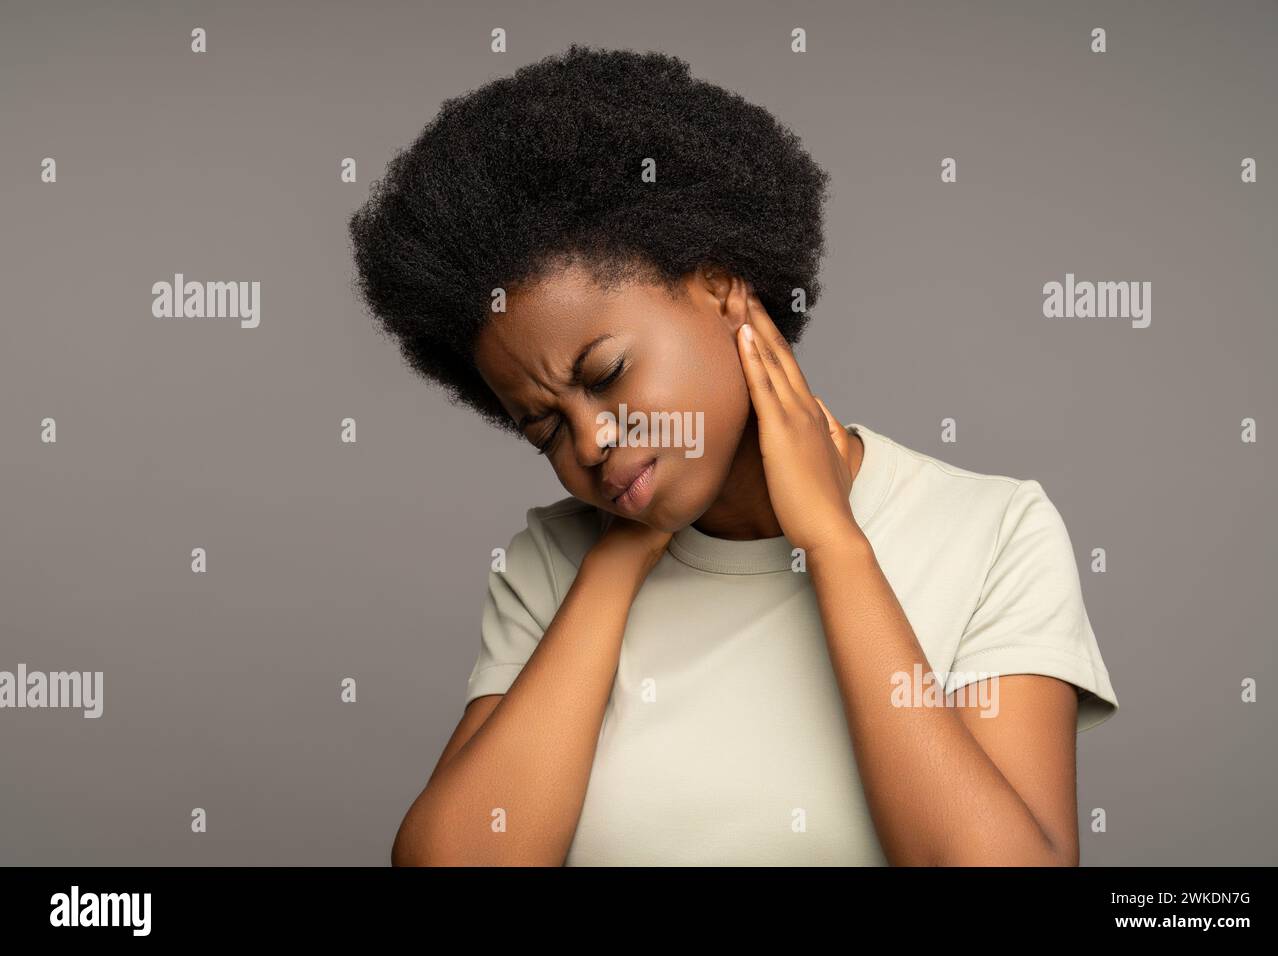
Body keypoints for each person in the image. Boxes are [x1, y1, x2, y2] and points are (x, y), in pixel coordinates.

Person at [348, 43, 1118, 866]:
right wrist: (621, 555)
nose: (591, 441)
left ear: (719, 287)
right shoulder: (549, 566)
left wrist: (833, 544)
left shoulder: (993, 533)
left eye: (606, 375)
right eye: (544, 427)